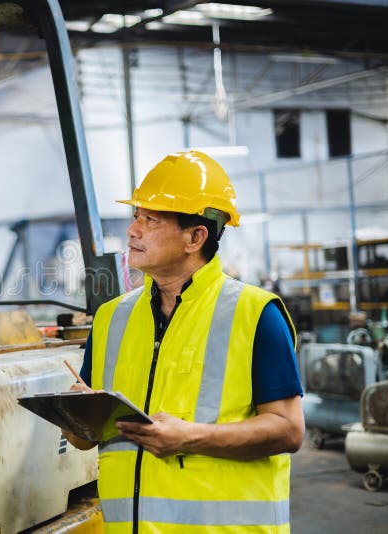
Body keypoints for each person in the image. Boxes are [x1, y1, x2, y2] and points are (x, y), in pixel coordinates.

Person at [66, 150, 304, 533]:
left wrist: (190, 437)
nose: (133, 230)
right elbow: (84, 438)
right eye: (135, 217)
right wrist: (74, 416)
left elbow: (288, 430)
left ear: (196, 237)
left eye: (151, 220)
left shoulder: (256, 314)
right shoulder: (111, 318)